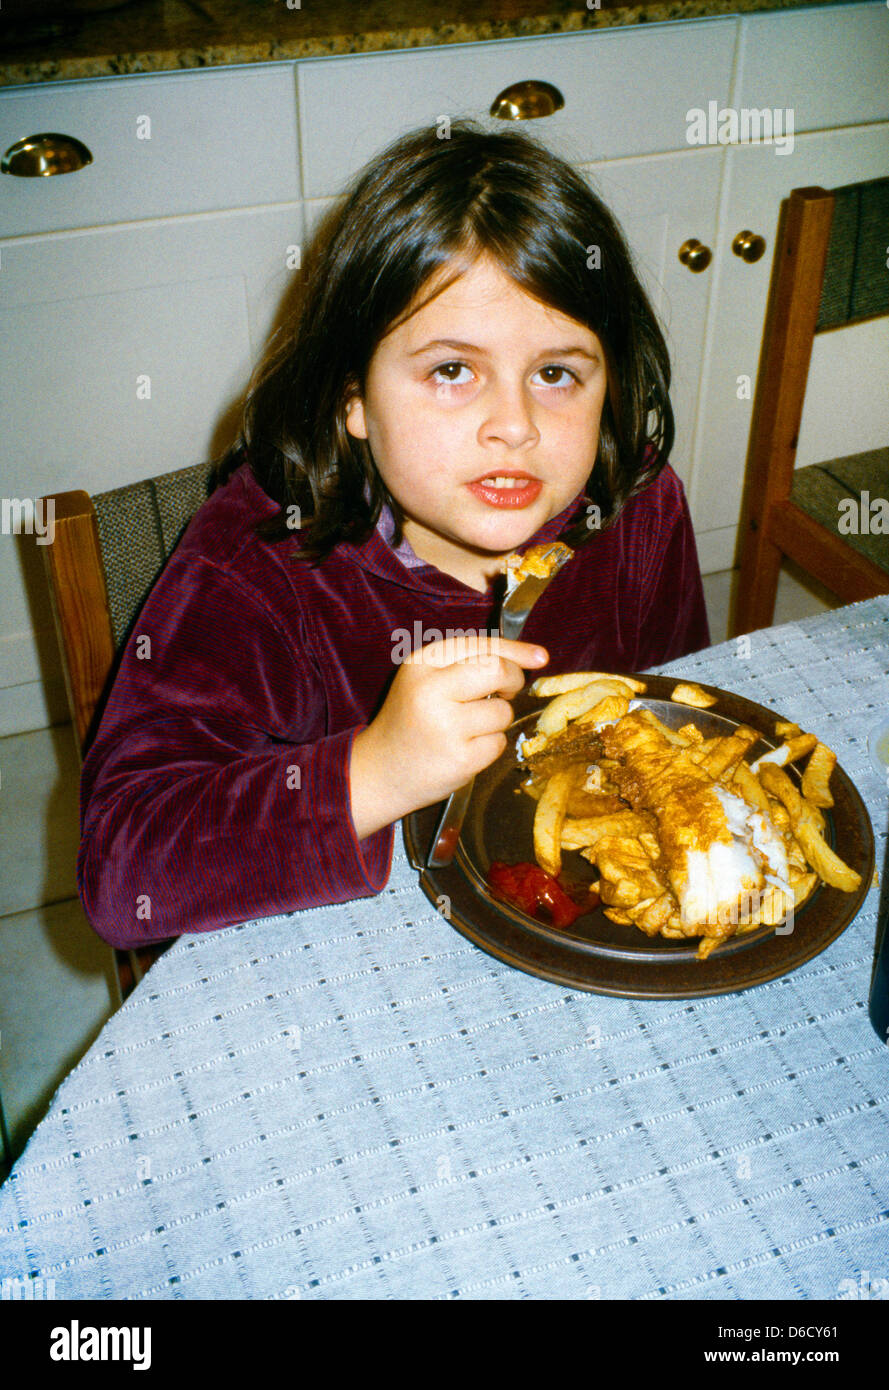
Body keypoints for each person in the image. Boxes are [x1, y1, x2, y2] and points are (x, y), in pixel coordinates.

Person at [77, 121, 710, 948]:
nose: (513, 427)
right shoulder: (255, 562)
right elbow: (123, 873)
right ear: (353, 397)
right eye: (452, 371)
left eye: (555, 373)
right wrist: (372, 769)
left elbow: (673, 717)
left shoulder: (636, 508)